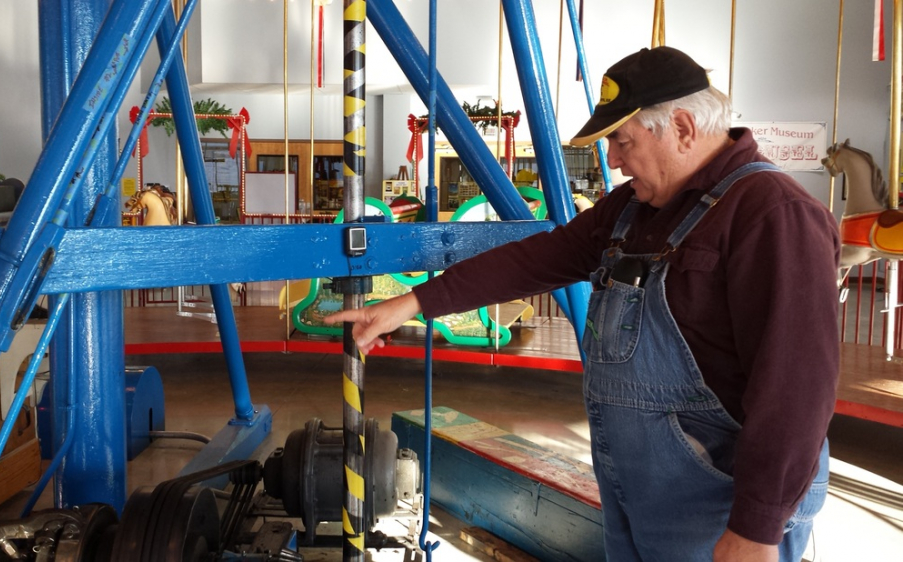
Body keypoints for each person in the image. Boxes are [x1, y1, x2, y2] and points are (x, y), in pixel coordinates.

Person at [325, 46, 840, 561]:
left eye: (623, 140)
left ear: (682, 128)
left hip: (715, 508)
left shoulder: (772, 213)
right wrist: (412, 302)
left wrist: (756, 526)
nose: (613, 159)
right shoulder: (634, 208)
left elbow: (795, 390)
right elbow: (538, 259)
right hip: (638, 491)